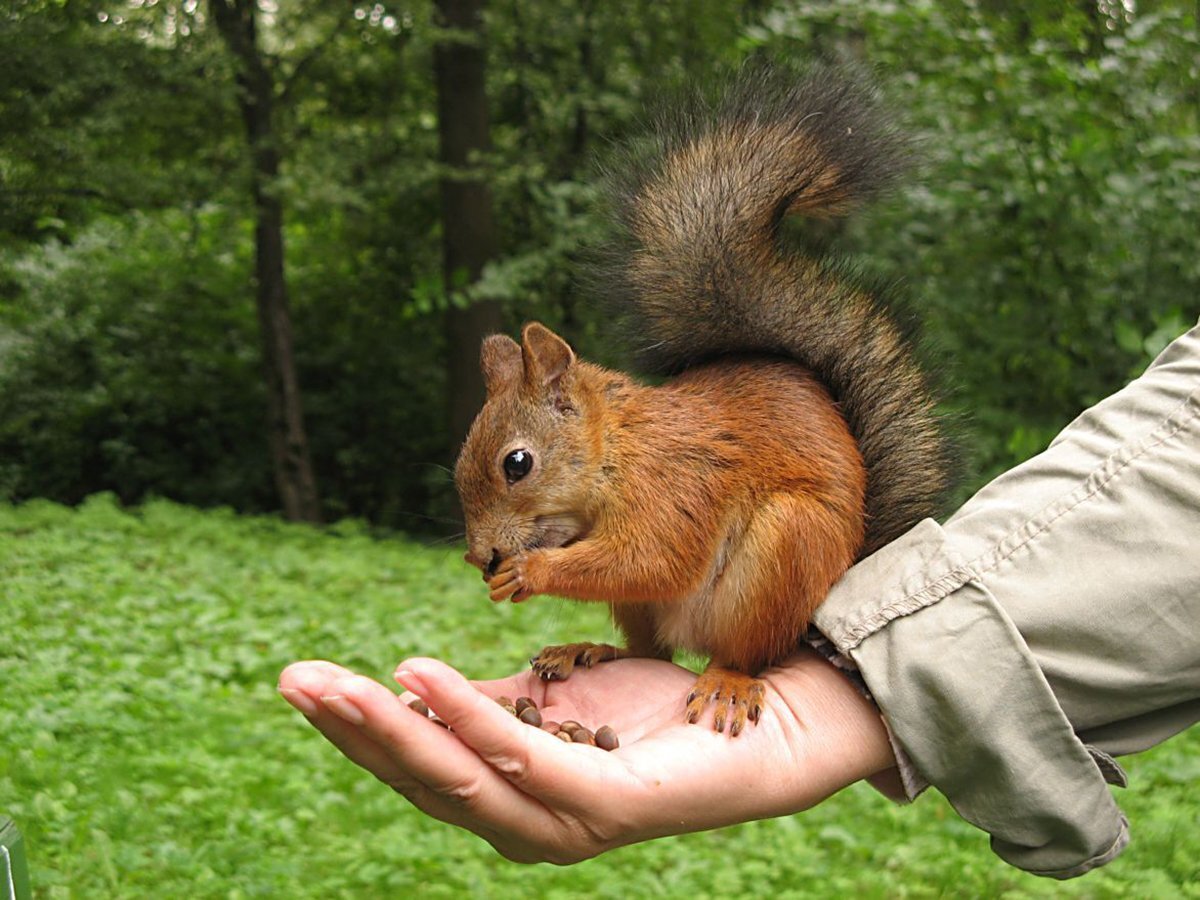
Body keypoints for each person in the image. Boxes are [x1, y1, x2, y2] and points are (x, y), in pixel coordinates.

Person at [278, 319, 1200, 879]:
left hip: (777, 543)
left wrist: (552, 571)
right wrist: (561, 565)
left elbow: (666, 563)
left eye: (514, 477)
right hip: (704, 572)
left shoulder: (649, 453)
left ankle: (741, 663)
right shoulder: (597, 468)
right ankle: (642, 663)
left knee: (754, 529)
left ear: (568, 400)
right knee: (613, 554)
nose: (489, 535)